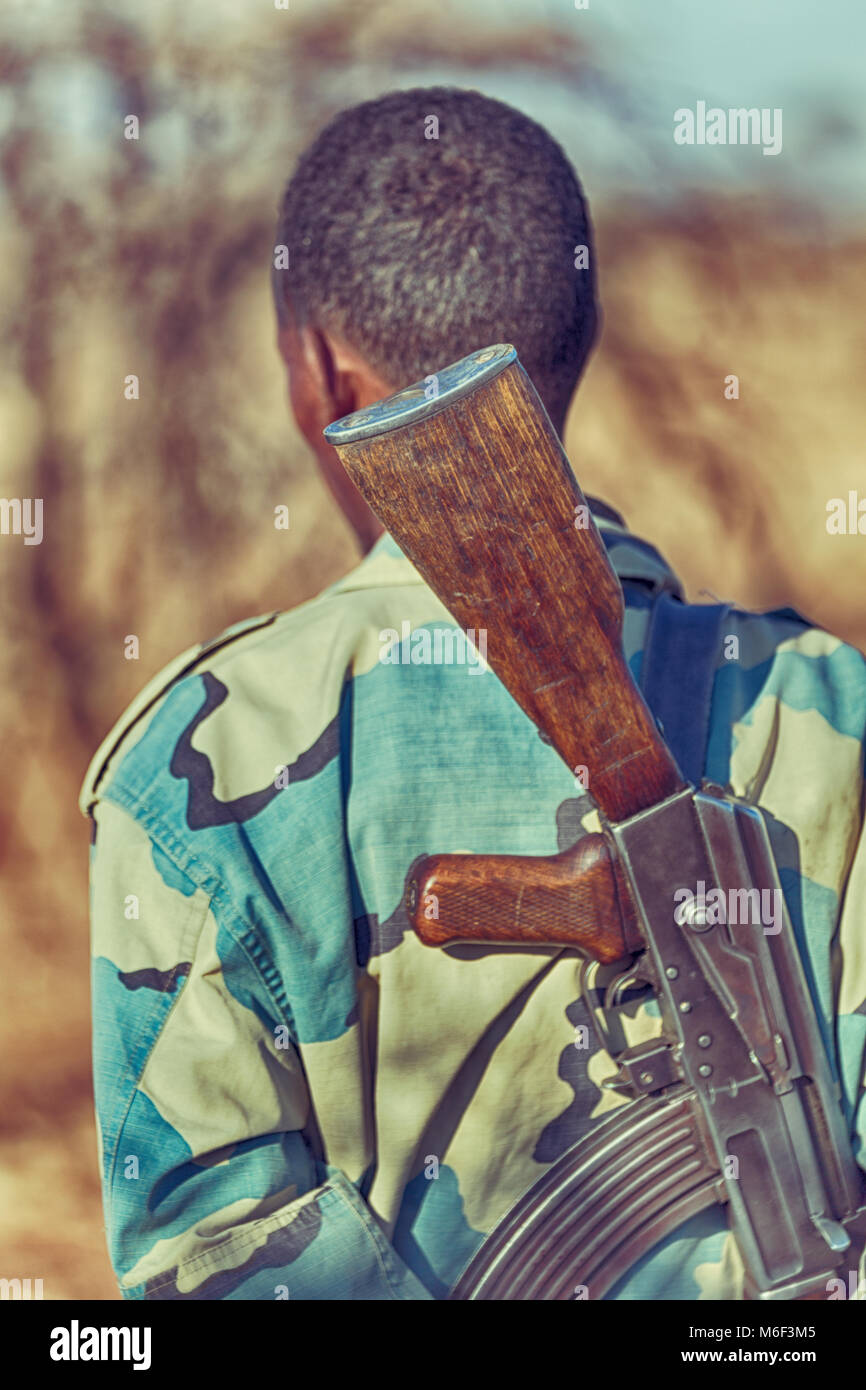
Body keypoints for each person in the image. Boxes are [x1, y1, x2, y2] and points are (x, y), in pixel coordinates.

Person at [81, 85, 866, 1301]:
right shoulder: (827, 714)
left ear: (317, 375)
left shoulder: (209, 756)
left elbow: (212, 1262)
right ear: (584, 336)